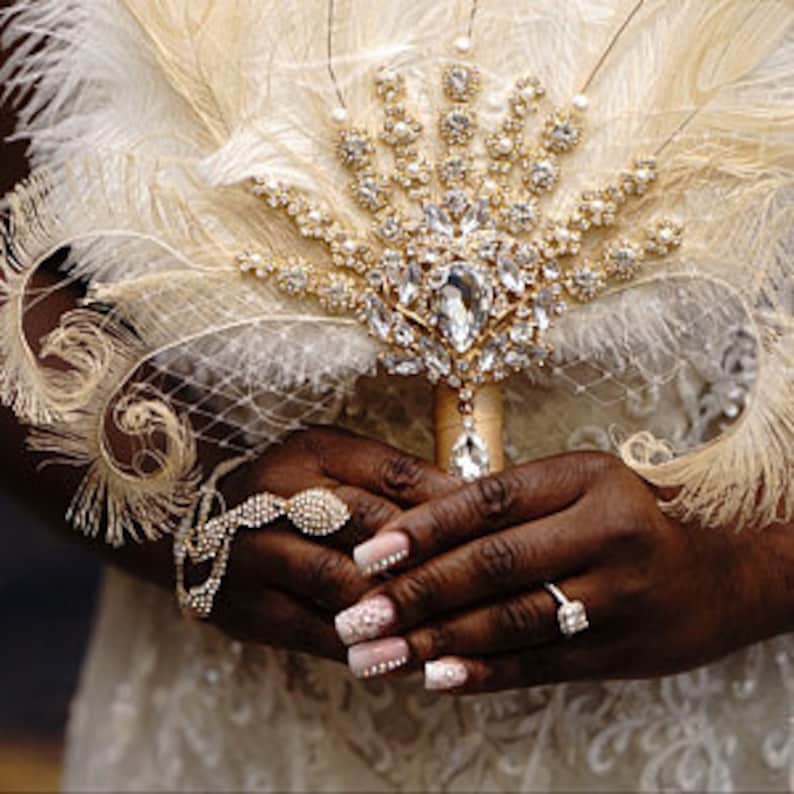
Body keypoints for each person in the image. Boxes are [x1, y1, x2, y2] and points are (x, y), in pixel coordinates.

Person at [2, 1, 793, 790]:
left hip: (694, 704)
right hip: (249, 713)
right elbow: (13, 249)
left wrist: (746, 565)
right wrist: (184, 504)